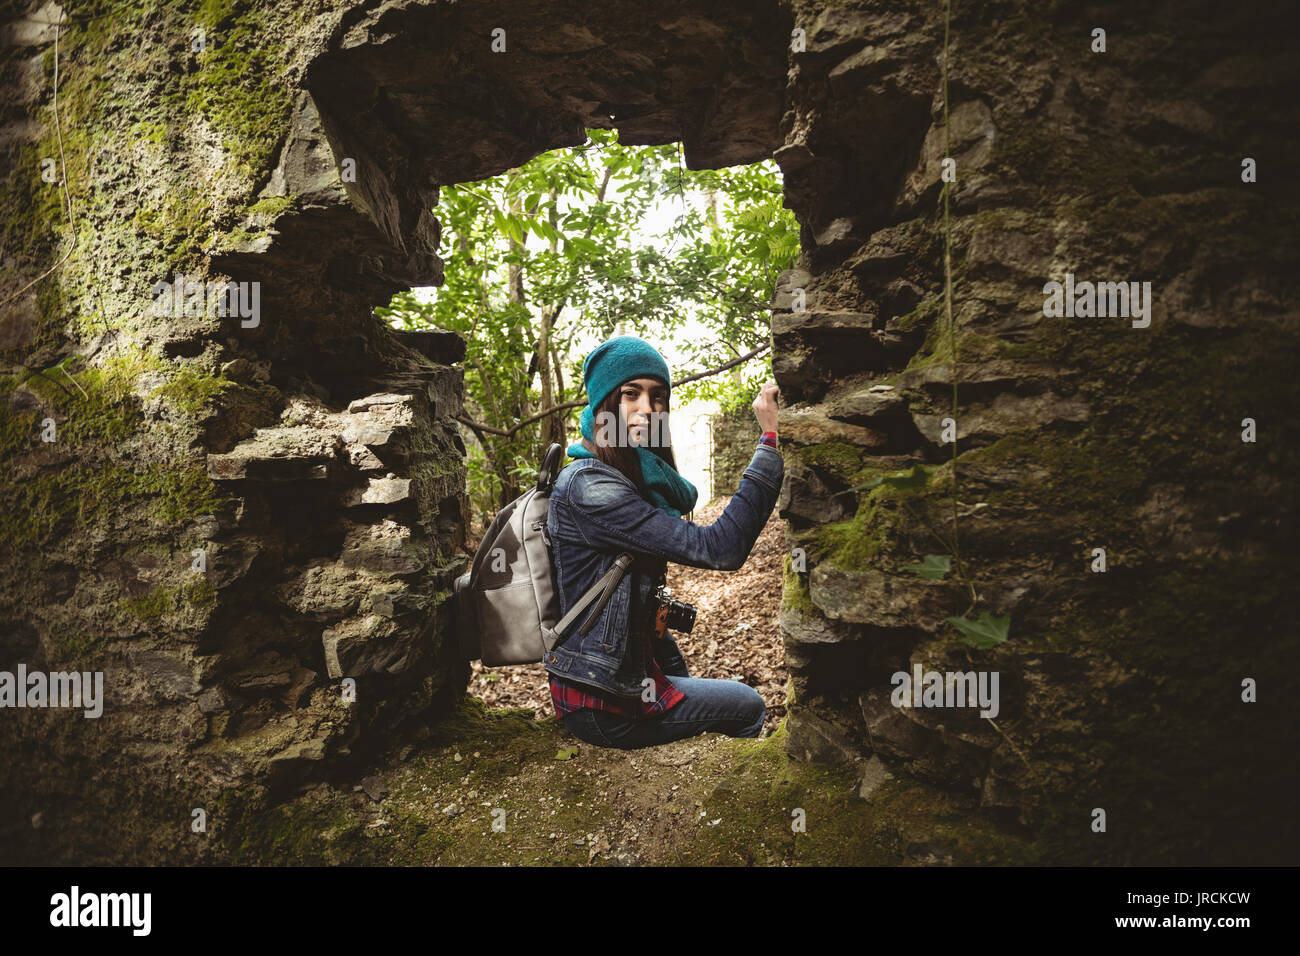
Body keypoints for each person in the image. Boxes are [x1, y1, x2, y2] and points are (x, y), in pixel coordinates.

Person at [543, 334, 784, 750]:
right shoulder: (591, 485)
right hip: (601, 701)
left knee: (700, 697)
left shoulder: (630, 472)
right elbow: (719, 547)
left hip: (628, 672)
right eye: (630, 394)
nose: (646, 409)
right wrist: (769, 443)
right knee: (749, 706)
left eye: (657, 397)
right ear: (604, 404)